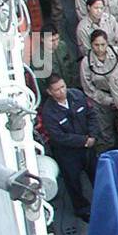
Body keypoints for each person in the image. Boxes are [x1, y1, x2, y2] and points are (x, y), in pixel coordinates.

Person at [40, 74, 96, 220]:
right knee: (73, 183)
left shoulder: (77, 95)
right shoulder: (48, 112)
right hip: (68, 154)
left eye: (63, 87)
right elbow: (58, 136)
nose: (62, 91)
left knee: (97, 175)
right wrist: (83, 140)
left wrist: (93, 135)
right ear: (50, 92)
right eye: (57, 89)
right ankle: (82, 209)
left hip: (88, 148)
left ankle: (105, 200)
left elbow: (91, 115)